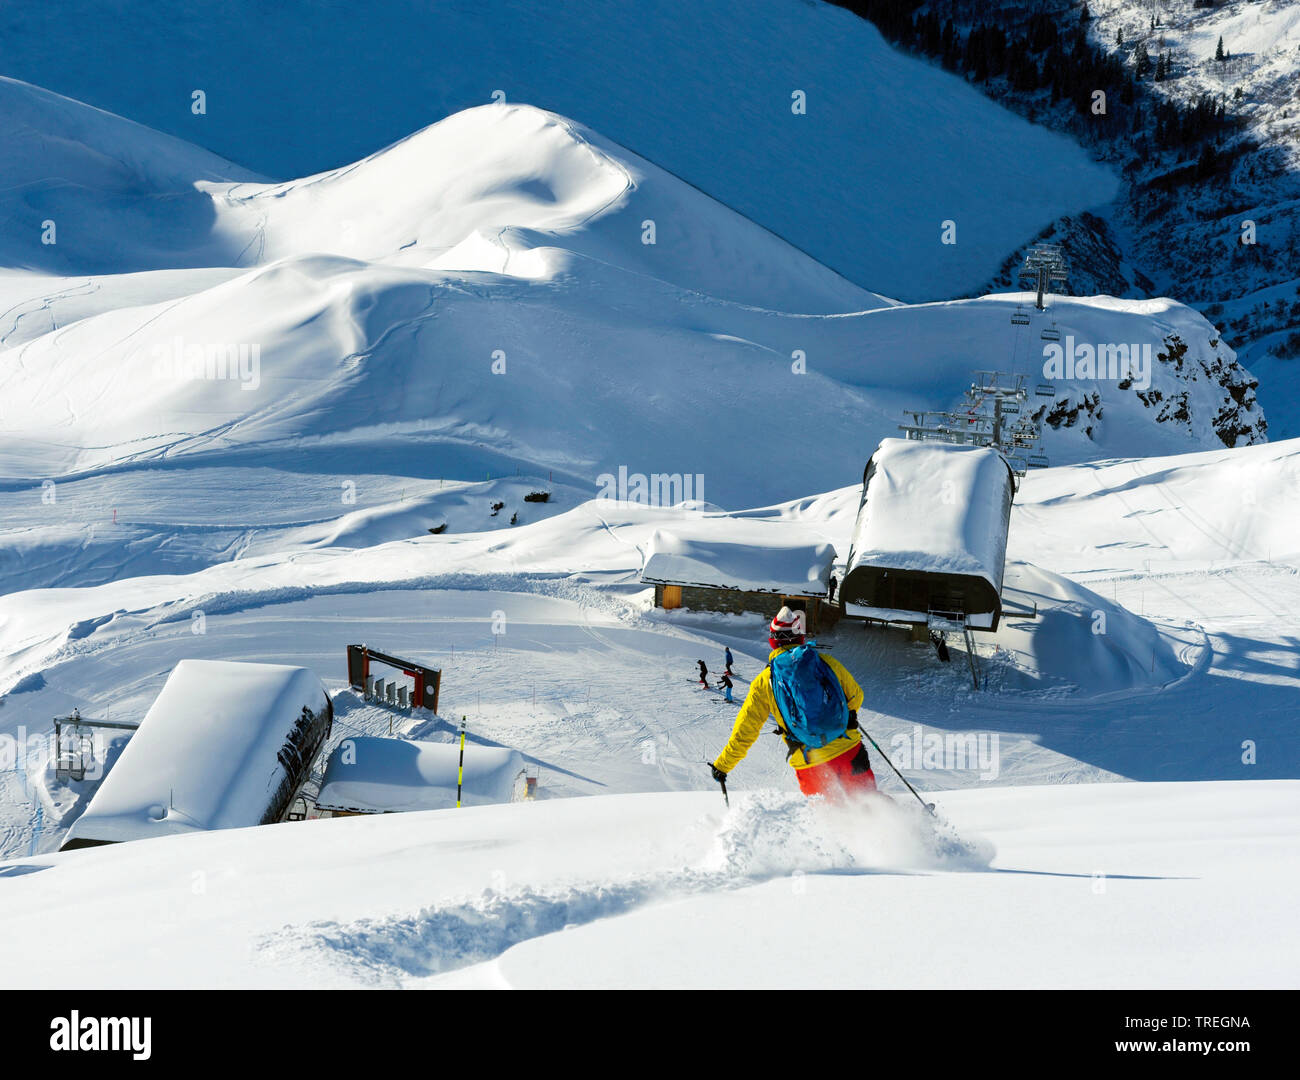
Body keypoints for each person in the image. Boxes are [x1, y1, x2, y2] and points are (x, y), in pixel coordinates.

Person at [709, 606, 878, 800]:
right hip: (847, 750)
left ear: (773, 641)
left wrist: (722, 766)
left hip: (808, 761)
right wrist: (840, 717)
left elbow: (745, 731)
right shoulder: (825, 662)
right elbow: (856, 696)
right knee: (870, 804)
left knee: (828, 818)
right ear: (801, 637)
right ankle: (902, 827)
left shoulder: (764, 681)